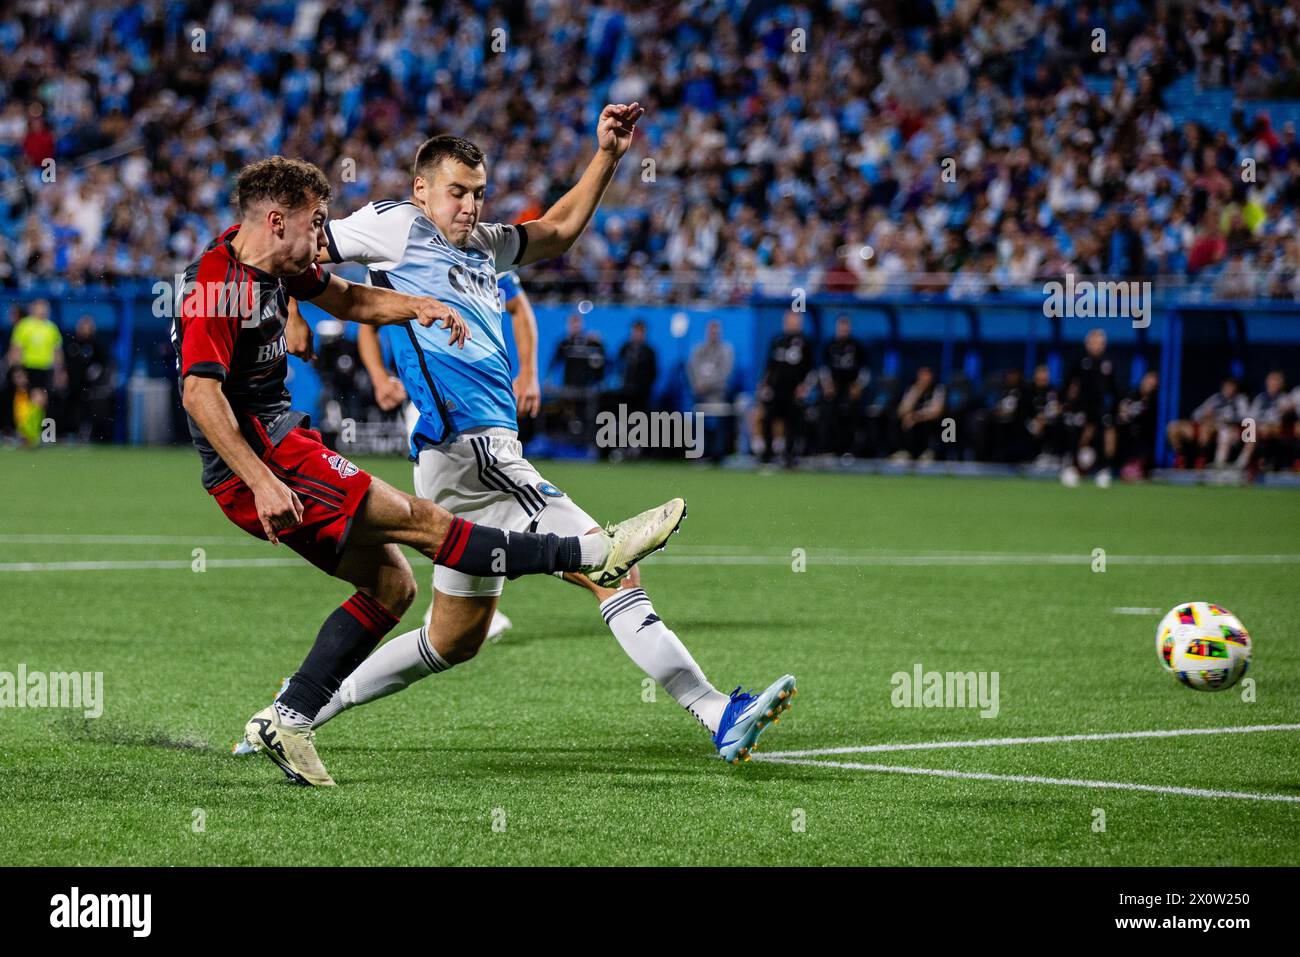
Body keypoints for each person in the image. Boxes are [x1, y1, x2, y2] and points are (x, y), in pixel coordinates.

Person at [305, 115, 795, 765]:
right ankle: (716, 711)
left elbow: (559, 230)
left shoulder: (486, 245)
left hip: (458, 464)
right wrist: (288, 315)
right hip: (474, 452)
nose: (471, 203)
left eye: (478, 191)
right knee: (612, 563)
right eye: (457, 190)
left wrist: (607, 155)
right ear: (421, 190)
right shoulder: (397, 223)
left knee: (454, 638)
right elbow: (300, 249)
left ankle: (300, 705)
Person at [176, 156, 680, 786]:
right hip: (267, 461)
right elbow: (199, 395)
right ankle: (587, 550)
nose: (322, 238)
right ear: (277, 222)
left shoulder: (276, 259)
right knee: (423, 522)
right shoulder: (216, 284)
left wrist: (416, 305)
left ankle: (291, 715)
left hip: (280, 452)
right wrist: (260, 479)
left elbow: (350, 296)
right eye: (315, 223)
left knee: (393, 587)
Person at [1061, 328, 1119, 487]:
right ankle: (1071, 468)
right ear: (1087, 343)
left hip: (1099, 406)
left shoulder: (1108, 362)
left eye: (1100, 342)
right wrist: (1065, 402)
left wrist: (1116, 406)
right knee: (1075, 435)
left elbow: (1114, 387)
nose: (1097, 345)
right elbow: (1068, 382)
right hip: (1080, 405)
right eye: (1094, 342)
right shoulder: (1079, 360)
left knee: (1102, 437)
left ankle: (1103, 470)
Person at [758, 310, 813, 466]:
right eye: (789, 320)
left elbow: (811, 368)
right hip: (776, 389)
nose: (791, 323)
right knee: (767, 419)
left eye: (795, 321)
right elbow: (769, 366)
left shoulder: (805, 342)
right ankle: (767, 453)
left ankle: (789, 455)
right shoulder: (777, 341)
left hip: (794, 391)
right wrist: (764, 383)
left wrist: (804, 386)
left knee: (792, 423)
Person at [6, 299, 64, 438]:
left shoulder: (51, 328)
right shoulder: (24, 326)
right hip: (28, 367)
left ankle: (33, 434)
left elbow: (56, 351)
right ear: (33, 309)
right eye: (39, 307)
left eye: (45, 308)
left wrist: (59, 371)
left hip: (44, 369)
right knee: (34, 399)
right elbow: (16, 349)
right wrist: (18, 370)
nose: (42, 310)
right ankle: (30, 433)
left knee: (41, 401)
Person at [1166, 377, 1250, 468]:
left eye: (1231, 387)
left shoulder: (1240, 399)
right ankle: (1180, 457)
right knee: (1173, 427)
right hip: (1208, 424)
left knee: (1215, 431)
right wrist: (1205, 414)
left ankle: (1208, 461)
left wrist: (1222, 418)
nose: (1228, 389)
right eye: (1226, 387)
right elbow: (1196, 414)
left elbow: (1245, 417)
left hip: (1228, 428)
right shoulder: (1216, 398)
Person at [820, 316, 869, 457]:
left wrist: (858, 386)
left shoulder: (857, 346)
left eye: (845, 327)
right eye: (840, 327)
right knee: (828, 416)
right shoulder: (830, 345)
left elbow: (865, 369)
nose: (843, 330)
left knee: (851, 418)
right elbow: (823, 368)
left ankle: (850, 450)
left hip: (851, 389)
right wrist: (827, 385)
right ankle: (828, 449)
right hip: (833, 389)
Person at [687, 319, 734, 463]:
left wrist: (707, 385)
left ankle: (717, 454)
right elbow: (692, 369)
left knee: (720, 417)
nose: (713, 334)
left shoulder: (726, 350)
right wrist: (698, 385)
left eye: (716, 331)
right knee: (696, 416)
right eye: (711, 330)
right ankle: (700, 452)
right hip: (700, 394)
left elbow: (724, 374)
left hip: (719, 394)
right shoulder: (698, 350)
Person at [893, 366, 946, 462]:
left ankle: (929, 452)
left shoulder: (938, 389)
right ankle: (904, 452)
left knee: (932, 423)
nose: (925, 379)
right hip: (914, 422)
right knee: (899, 420)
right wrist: (917, 392)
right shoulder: (912, 388)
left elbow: (937, 411)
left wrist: (916, 417)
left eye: (927, 376)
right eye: (922, 376)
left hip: (931, 422)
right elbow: (902, 410)